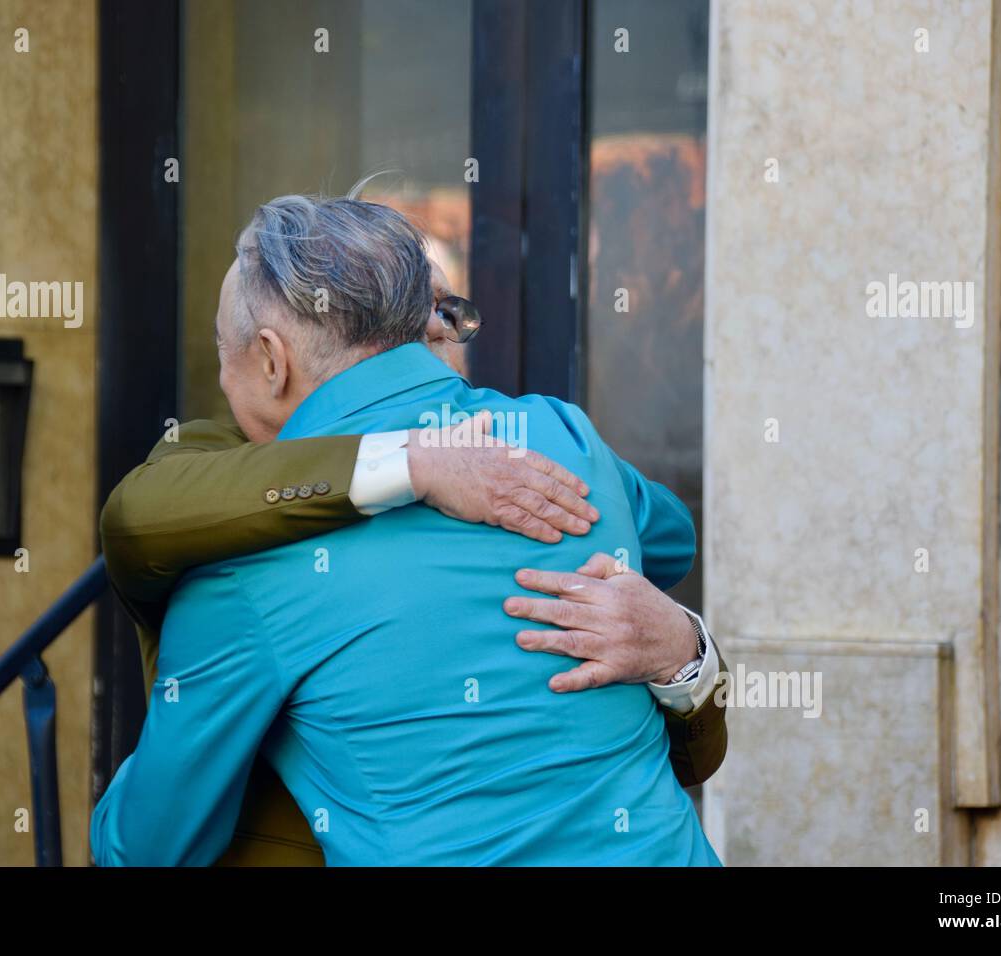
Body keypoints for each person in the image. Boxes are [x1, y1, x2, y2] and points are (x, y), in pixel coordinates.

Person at [92, 190, 724, 865]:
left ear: (272, 360)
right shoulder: (565, 435)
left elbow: (146, 849)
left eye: (226, 353)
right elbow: (669, 539)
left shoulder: (243, 568)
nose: (222, 377)